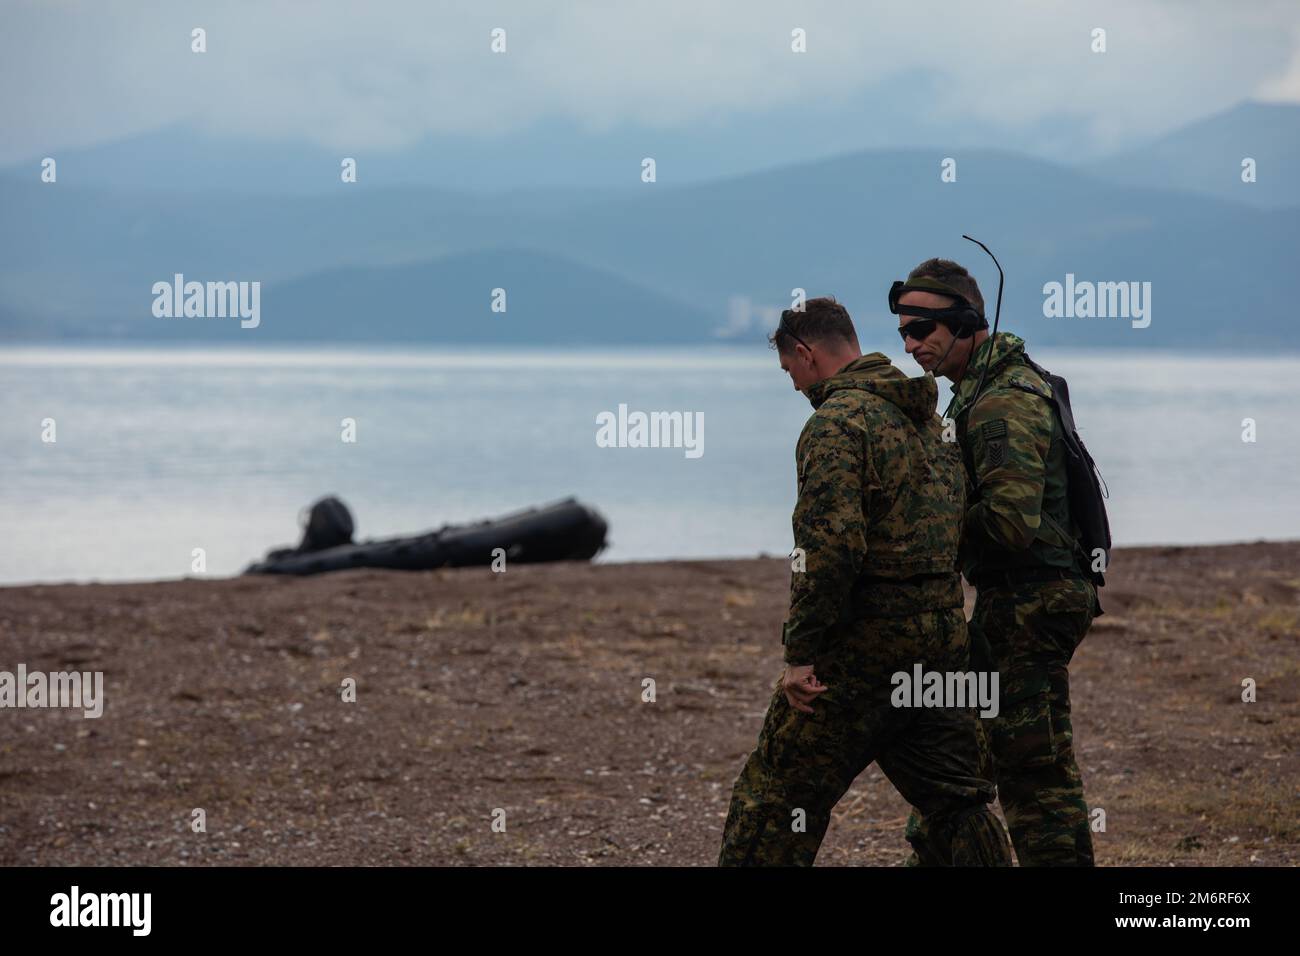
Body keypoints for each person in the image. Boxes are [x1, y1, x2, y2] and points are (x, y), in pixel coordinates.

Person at [717, 296, 1011, 866]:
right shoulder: (930, 420)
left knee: (775, 800)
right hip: (940, 641)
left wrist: (802, 654)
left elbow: (830, 551)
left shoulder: (834, 426)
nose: (793, 384)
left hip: (860, 652)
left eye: (789, 371)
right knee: (958, 803)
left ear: (805, 354)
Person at [894, 259, 1097, 866]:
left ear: (964, 323)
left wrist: (930, 526)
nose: (910, 345)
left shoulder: (1000, 404)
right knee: (967, 751)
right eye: (902, 331)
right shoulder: (985, 390)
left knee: (1032, 773)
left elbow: (1010, 524)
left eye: (922, 330)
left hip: (1030, 600)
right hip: (1024, 598)